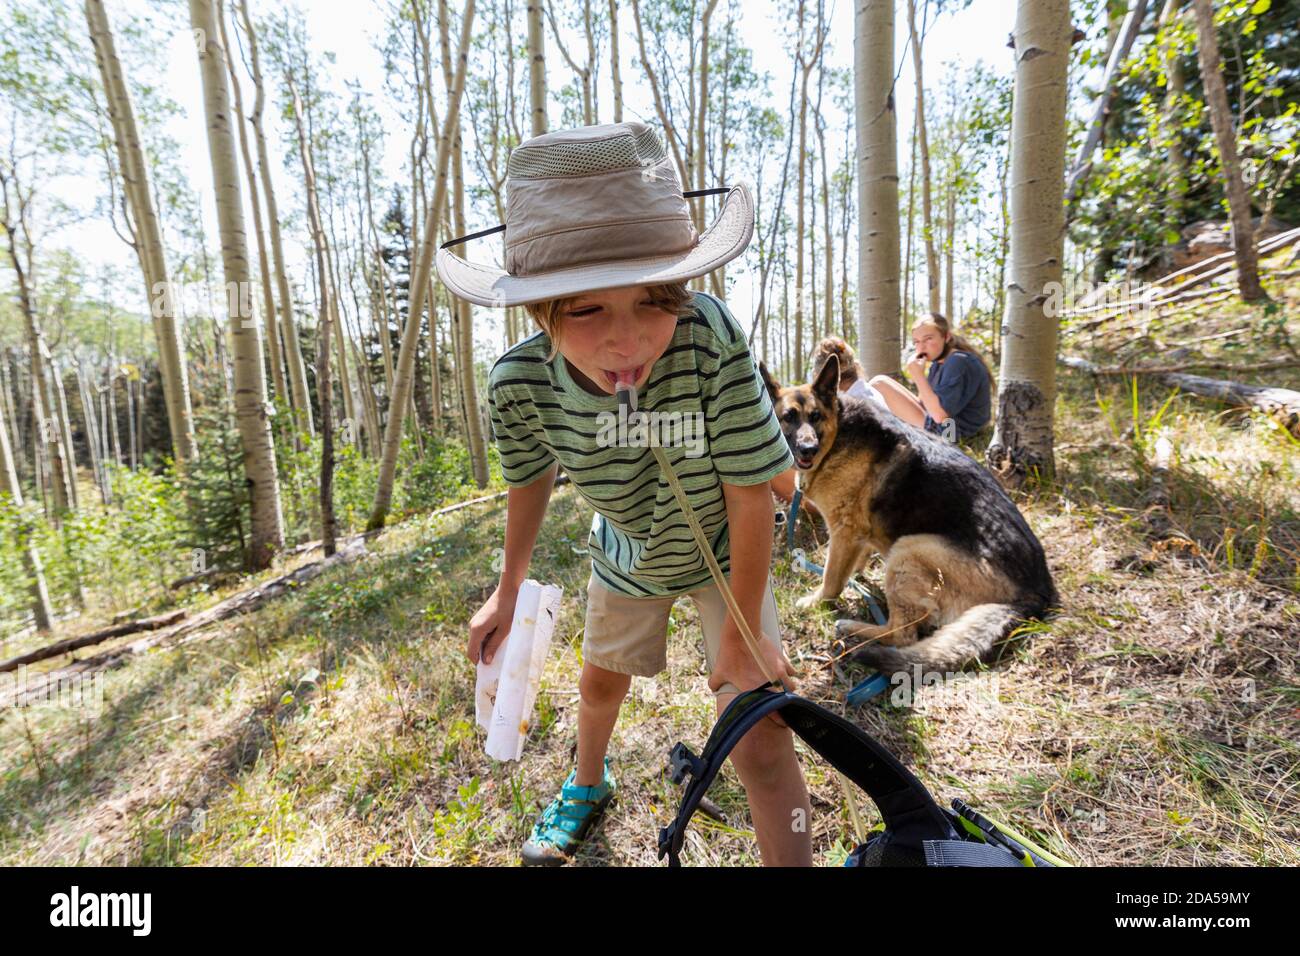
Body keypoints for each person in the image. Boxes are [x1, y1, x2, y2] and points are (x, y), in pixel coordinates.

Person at [436, 120, 811, 867]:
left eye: (653, 301)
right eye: (587, 310)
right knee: (599, 683)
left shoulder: (707, 336)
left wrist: (743, 630)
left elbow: (749, 492)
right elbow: (529, 478)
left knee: (760, 733)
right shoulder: (520, 383)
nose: (629, 339)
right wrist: (507, 590)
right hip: (628, 554)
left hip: (726, 555)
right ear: (539, 311)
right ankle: (586, 780)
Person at [868, 313, 993, 441]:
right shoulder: (938, 364)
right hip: (943, 426)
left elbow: (939, 416)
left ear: (946, 337)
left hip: (952, 434)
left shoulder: (958, 362)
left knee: (879, 385)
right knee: (880, 382)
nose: (921, 347)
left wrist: (918, 376)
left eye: (928, 339)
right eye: (917, 342)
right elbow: (925, 405)